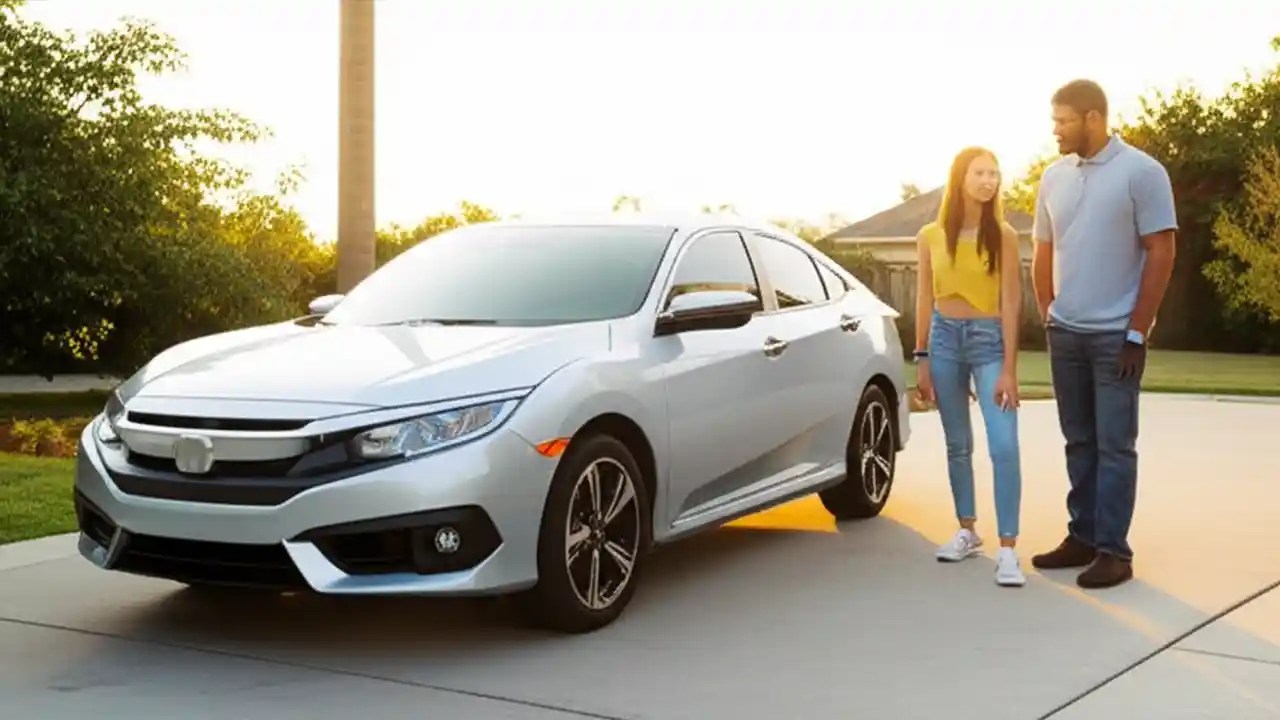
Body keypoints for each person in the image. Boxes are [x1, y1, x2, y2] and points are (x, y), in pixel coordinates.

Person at [1028, 79, 1178, 589]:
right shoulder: (1052, 177)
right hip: (1066, 334)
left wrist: (1138, 330)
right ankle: (1084, 536)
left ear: (1093, 118)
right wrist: (1048, 310)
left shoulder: (1142, 172)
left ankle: (1115, 551)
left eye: (1063, 121)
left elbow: (1162, 250)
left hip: (1117, 337)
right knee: (1079, 441)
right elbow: (1044, 249)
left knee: (1116, 445)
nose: (1055, 131)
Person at [914, 146, 1026, 587]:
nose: (988, 181)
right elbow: (924, 297)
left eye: (994, 173)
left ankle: (1009, 549)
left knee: (1004, 445)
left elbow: (1012, 303)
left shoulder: (1004, 235)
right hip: (943, 341)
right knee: (958, 443)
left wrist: (1010, 369)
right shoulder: (929, 235)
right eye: (980, 172)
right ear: (961, 177)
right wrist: (921, 357)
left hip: (989, 342)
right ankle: (967, 529)